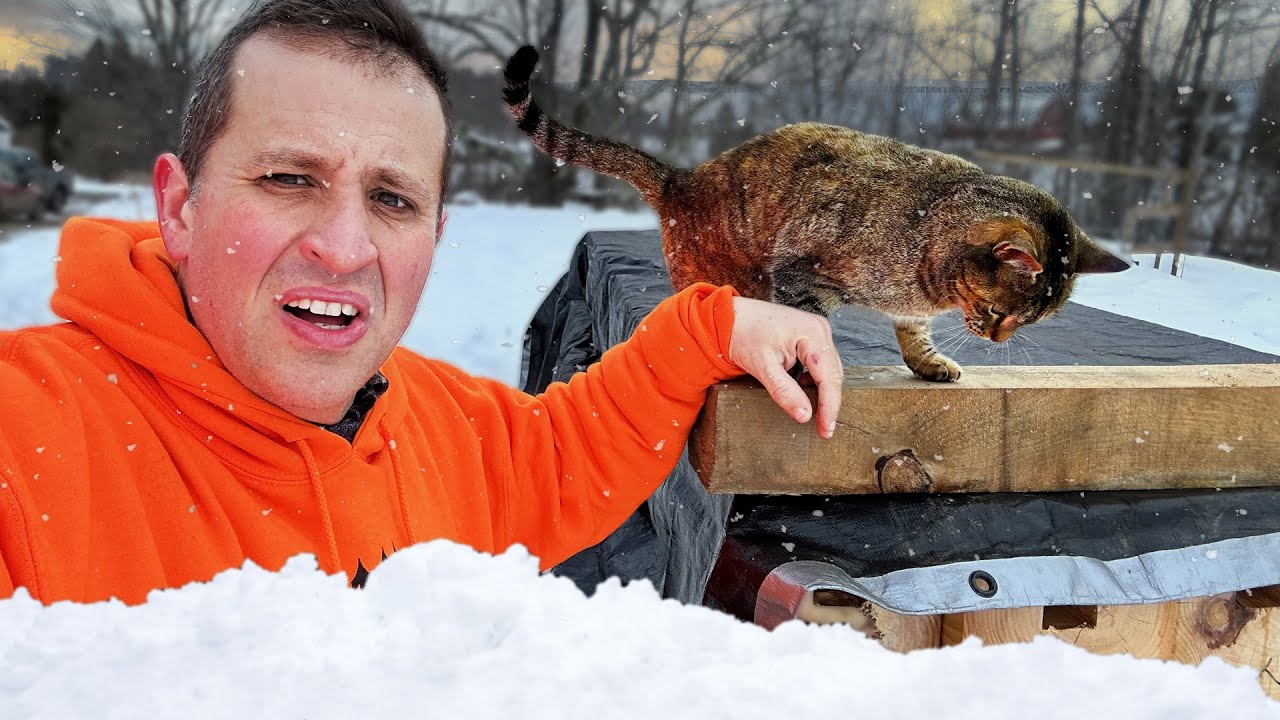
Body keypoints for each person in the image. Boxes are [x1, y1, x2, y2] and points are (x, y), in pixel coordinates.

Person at [0, 0, 842, 605]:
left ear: (436, 235)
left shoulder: (447, 431)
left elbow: (567, 454)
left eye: (392, 200)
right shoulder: (25, 437)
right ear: (181, 207)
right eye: (290, 179)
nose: (345, 246)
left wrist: (713, 325)